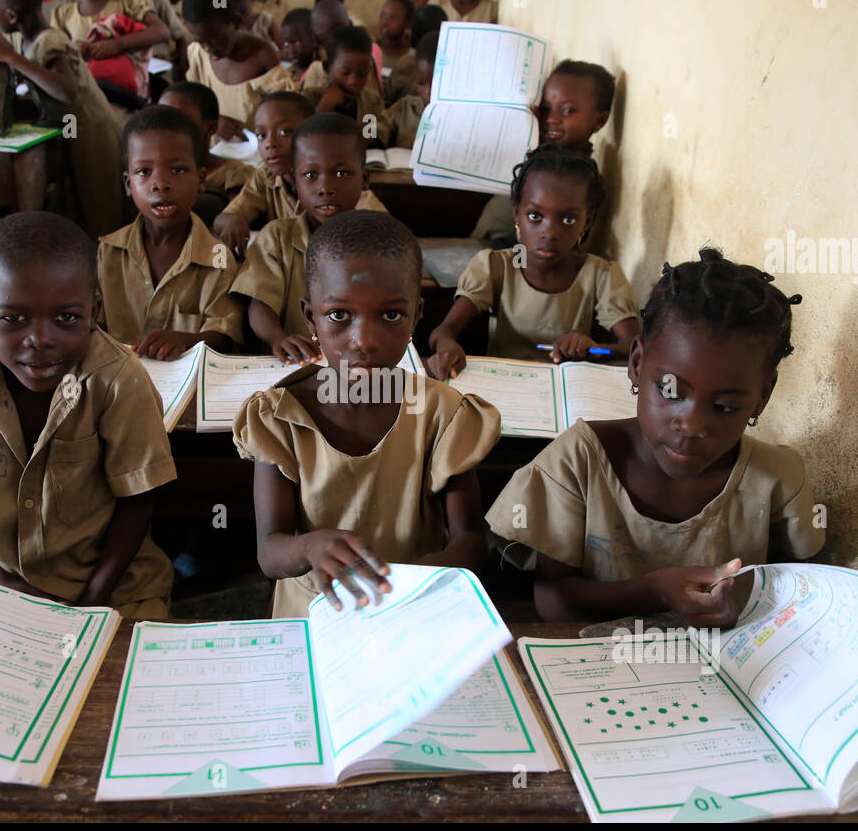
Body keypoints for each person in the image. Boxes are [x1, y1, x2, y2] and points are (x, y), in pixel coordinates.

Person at [488, 248, 822, 626]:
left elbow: (799, 592)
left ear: (762, 395)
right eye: (670, 391)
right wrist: (656, 591)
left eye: (724, 406)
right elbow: (553, 600)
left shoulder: (777, 479)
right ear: (636, 364)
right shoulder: (576, 462)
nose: (692, 424)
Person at [0, 212, 180, 617]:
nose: (39, 340)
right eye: (13, 319)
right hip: (1, 581)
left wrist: (89, 605)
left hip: (116, 586)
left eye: (66, 318)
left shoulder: (118, 379)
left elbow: (138, 501)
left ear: (94, 311)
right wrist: (4, 588)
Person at [234, 209, 501, 616]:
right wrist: (310, 546)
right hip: (313, 614)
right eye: (339, 315)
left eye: (391, 315)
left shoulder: (443, 415)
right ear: (310, 317)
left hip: (412, 608)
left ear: (416, 315)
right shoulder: (279, 416)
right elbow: (270, 551)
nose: (364, 341)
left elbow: (470, 541)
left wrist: (409, 581)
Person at [429, 144, 639, 375]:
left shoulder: (600, 275)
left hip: (568, 391)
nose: (549, 233)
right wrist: (446, 345)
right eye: (535, 216)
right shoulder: (496, 267)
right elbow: (443, 332)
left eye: (568, 219)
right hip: (503, 384)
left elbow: (636, 347)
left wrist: (596, 350)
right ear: (516, 212)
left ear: (587, 222)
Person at [0, 0, 125, 238]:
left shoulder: (50, 41)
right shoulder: (30, 40)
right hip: (73, 133)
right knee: (80, 215)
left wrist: (11, 57)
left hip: (93, 136)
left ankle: (111, 277)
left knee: (103, 219)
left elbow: (66, 90)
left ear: (12, 16)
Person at [231, 112, 385, 362]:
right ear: (294, 181)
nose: (325, 187)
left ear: (364, 179)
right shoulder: (276, 237)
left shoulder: (381, 241)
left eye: (342, 173)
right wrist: (277, 338)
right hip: (293, 362)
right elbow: (259, 305)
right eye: (311, 175)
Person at [96, 103, 243, 357]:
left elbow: (224, 335)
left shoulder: (218, 257)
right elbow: (92, 326)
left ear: (201, 180)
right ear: (128, 184)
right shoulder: (108, 251)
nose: (160, 184)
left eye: (177, 170)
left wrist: (186, 341)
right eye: (144, 171)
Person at [213, 95, 386, 258]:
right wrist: (232, 221)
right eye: (261, 135)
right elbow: (224, 217)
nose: (270, 143)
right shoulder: (265, 178)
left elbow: (384, 233)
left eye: (284, 132)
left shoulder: (349, 190)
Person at [472, 60, 616, 246]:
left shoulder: (582, 180)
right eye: (546, 109)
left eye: (568, 110)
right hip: (481, 242)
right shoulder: (535, 152)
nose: (551, 119)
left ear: (600, 120)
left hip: (510, 257)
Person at [182, 0, 277, 140]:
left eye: (216, 40)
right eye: (200, 41)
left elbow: (286, 112)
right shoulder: (197, 54)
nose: (208, 49)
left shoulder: (263, 54)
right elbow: (192, 104)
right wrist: (212, 121)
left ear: (236, 22)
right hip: (214, 151)